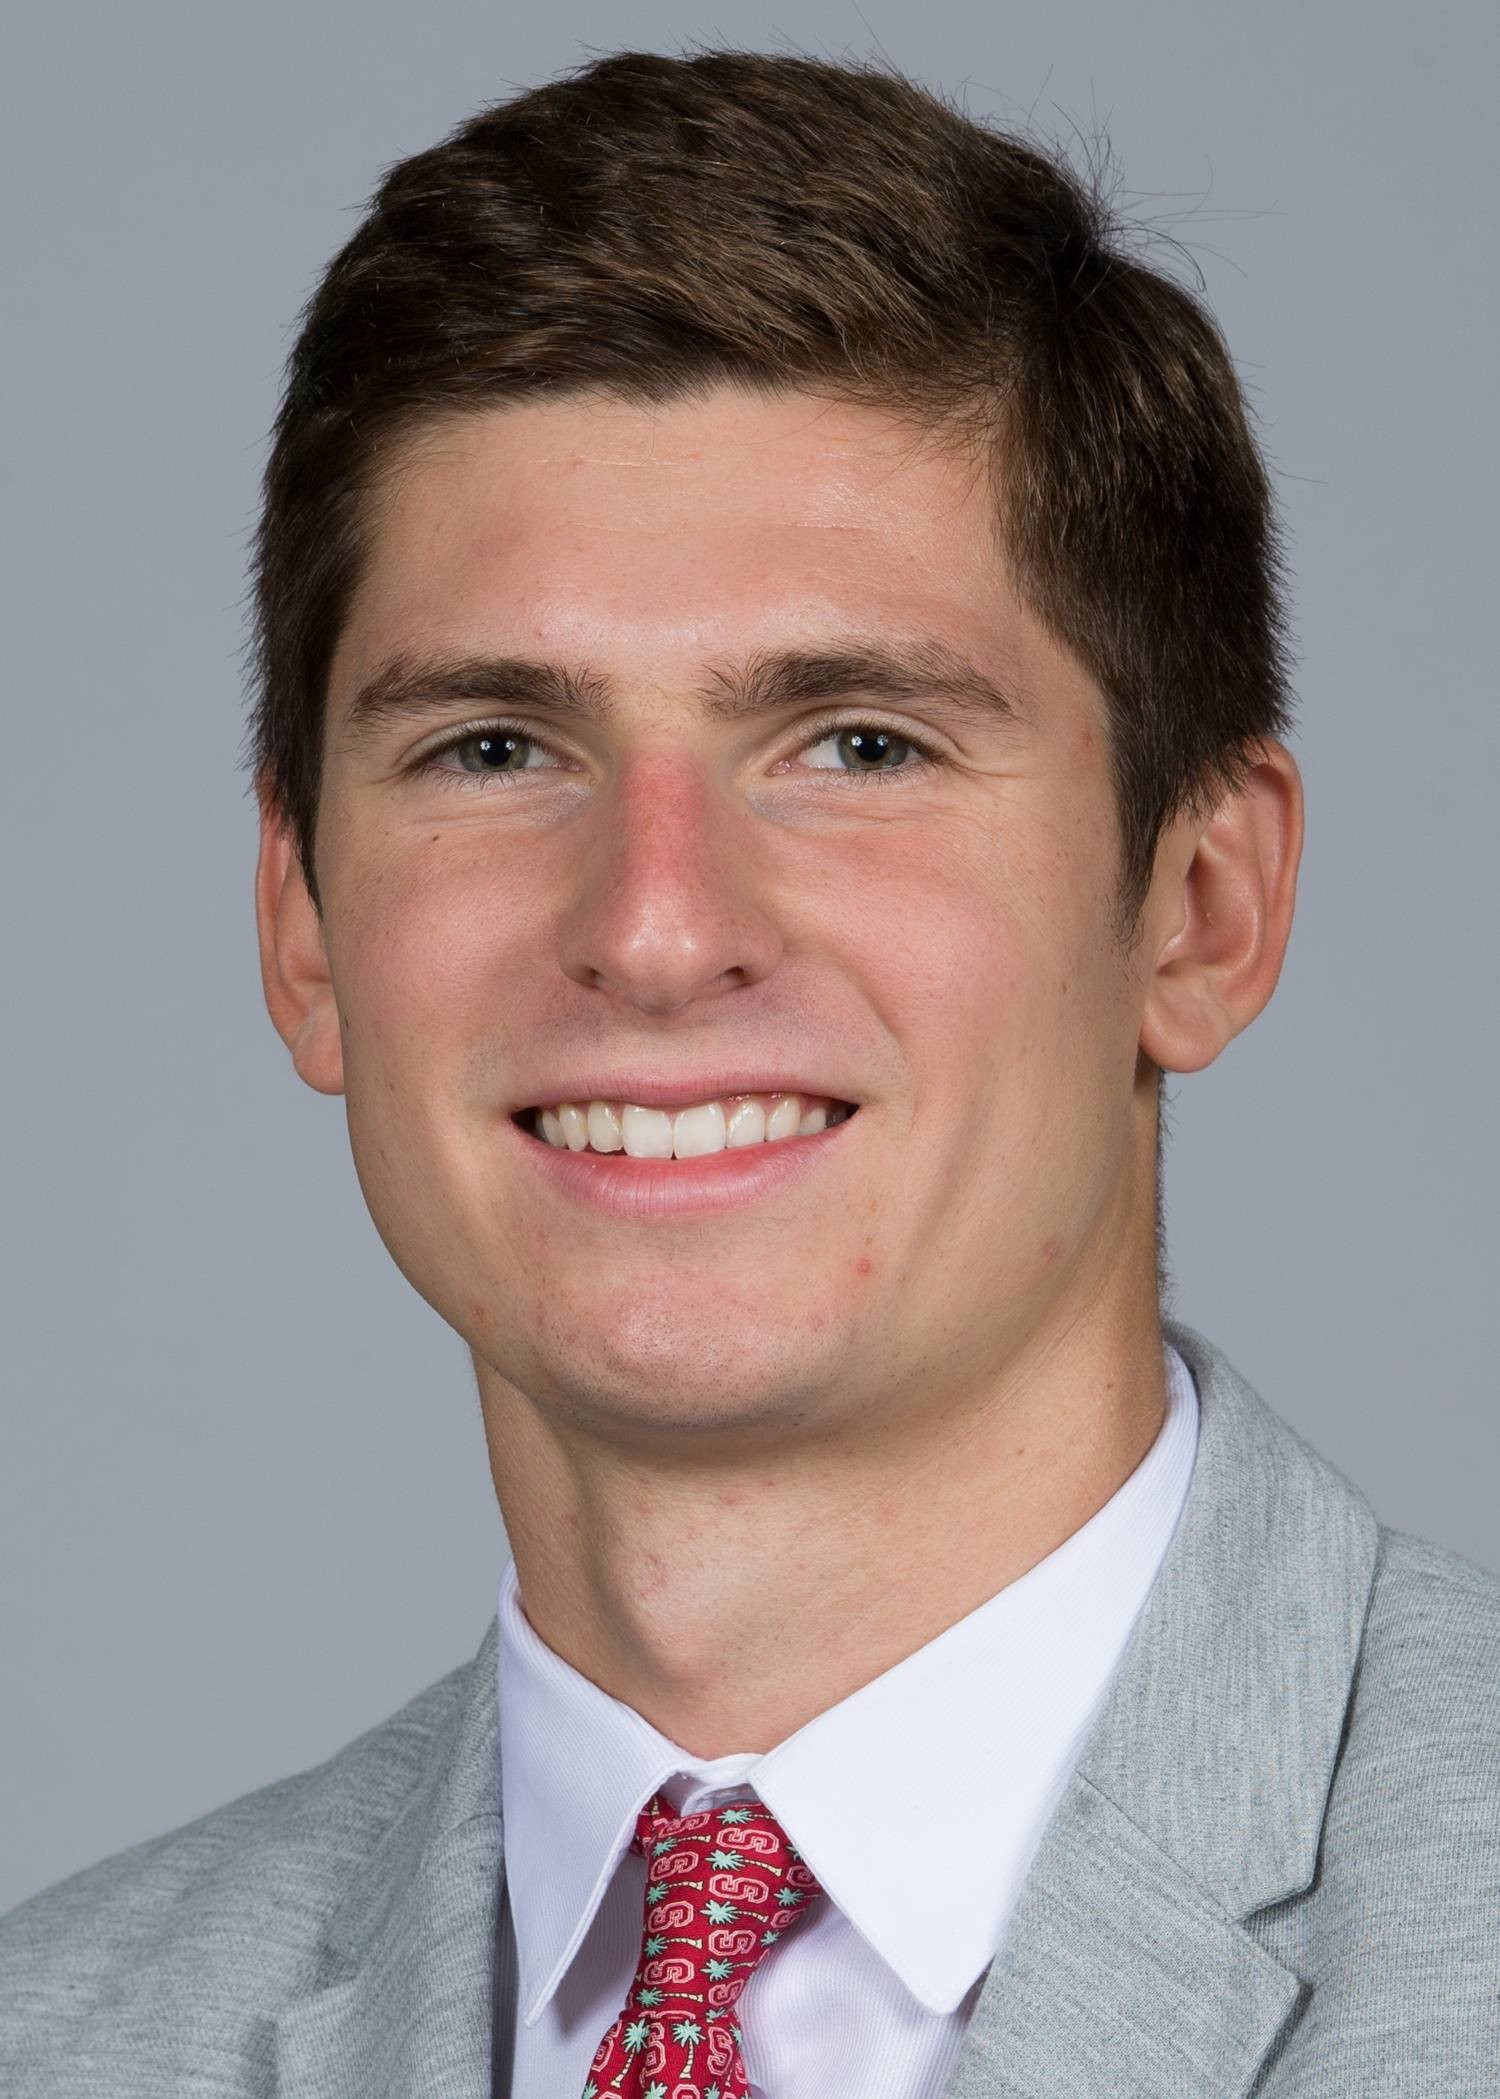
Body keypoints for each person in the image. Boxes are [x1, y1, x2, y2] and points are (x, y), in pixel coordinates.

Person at [3, 45, 1495, 2099]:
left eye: (859, 743)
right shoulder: (64, 2034)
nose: (656, 922)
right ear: (302, 927)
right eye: (494, 748)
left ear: (1202, 907)